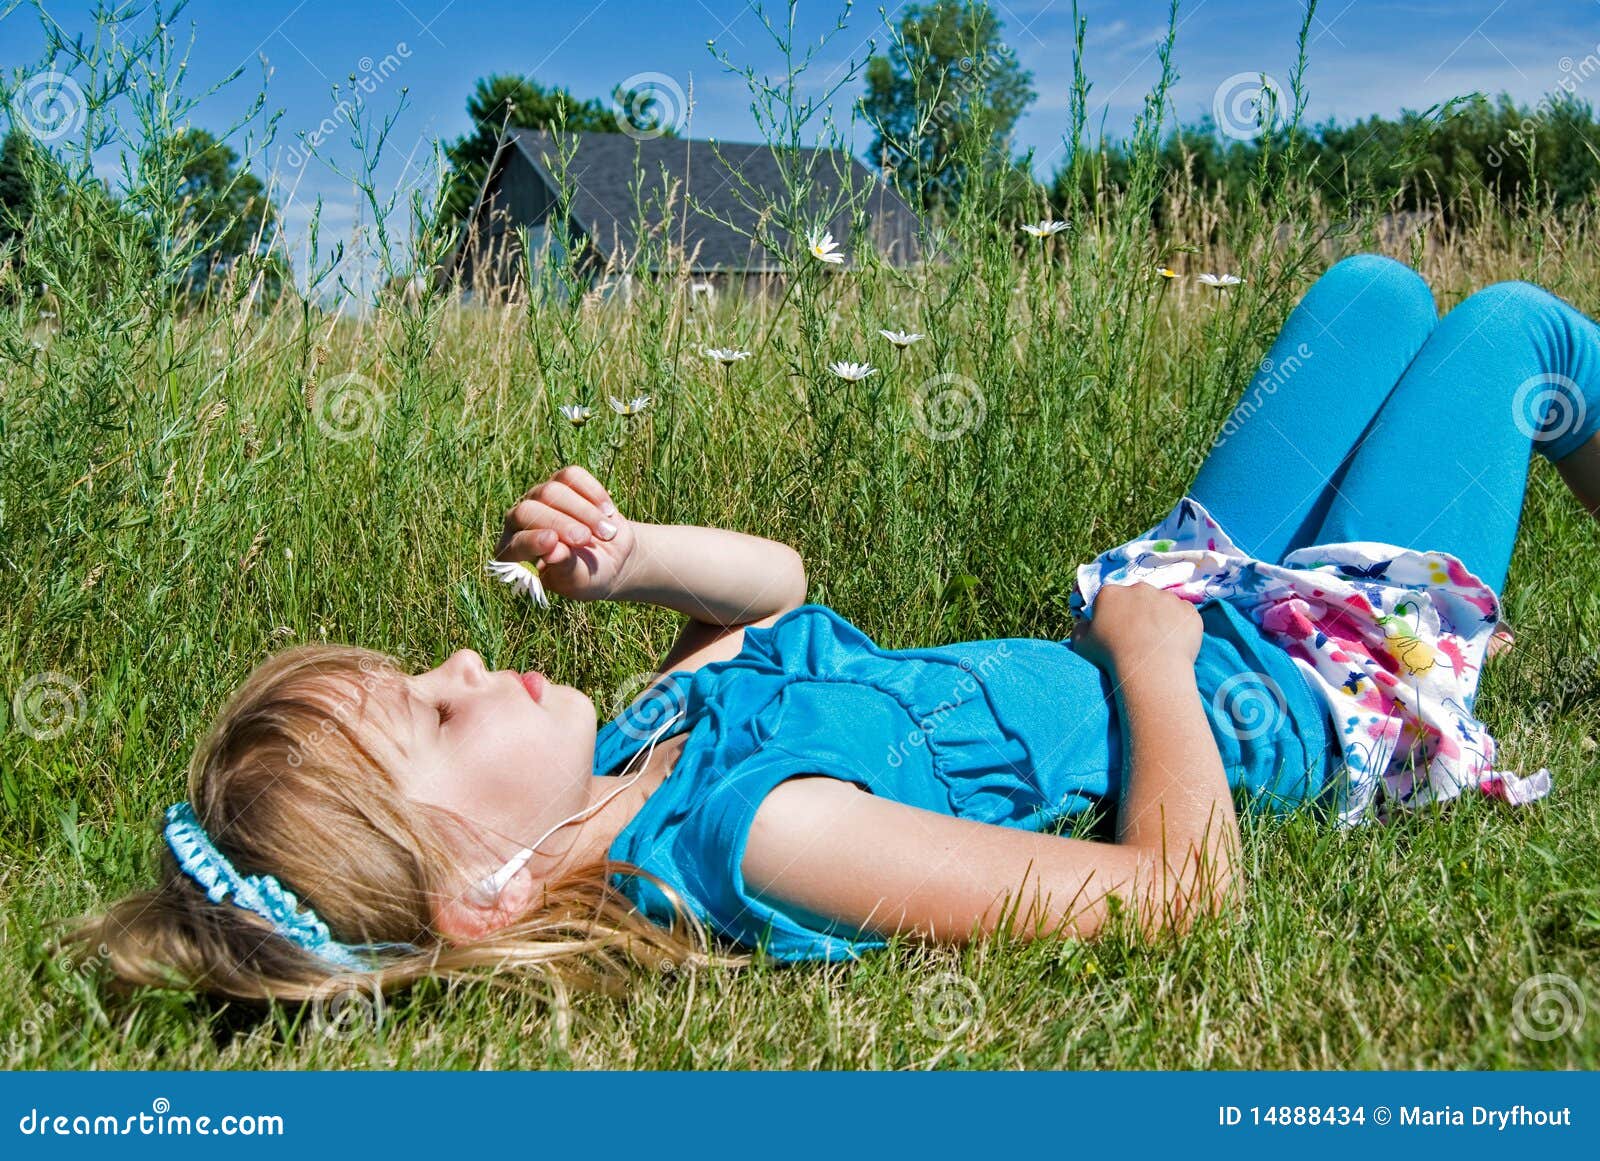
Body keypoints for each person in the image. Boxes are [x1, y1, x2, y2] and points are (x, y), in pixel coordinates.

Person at [76, 254, 1600, 1000]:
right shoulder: (758, 835)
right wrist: (1148, 658)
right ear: (480, 887)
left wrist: (635, 557)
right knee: (1513, 333)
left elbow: (785, 593)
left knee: (1376, 288)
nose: (462, 660)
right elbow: (1174, 898)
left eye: (426, 671)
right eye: (439, 713)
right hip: (1285, 694)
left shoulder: (644, 744)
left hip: (1187, 611)